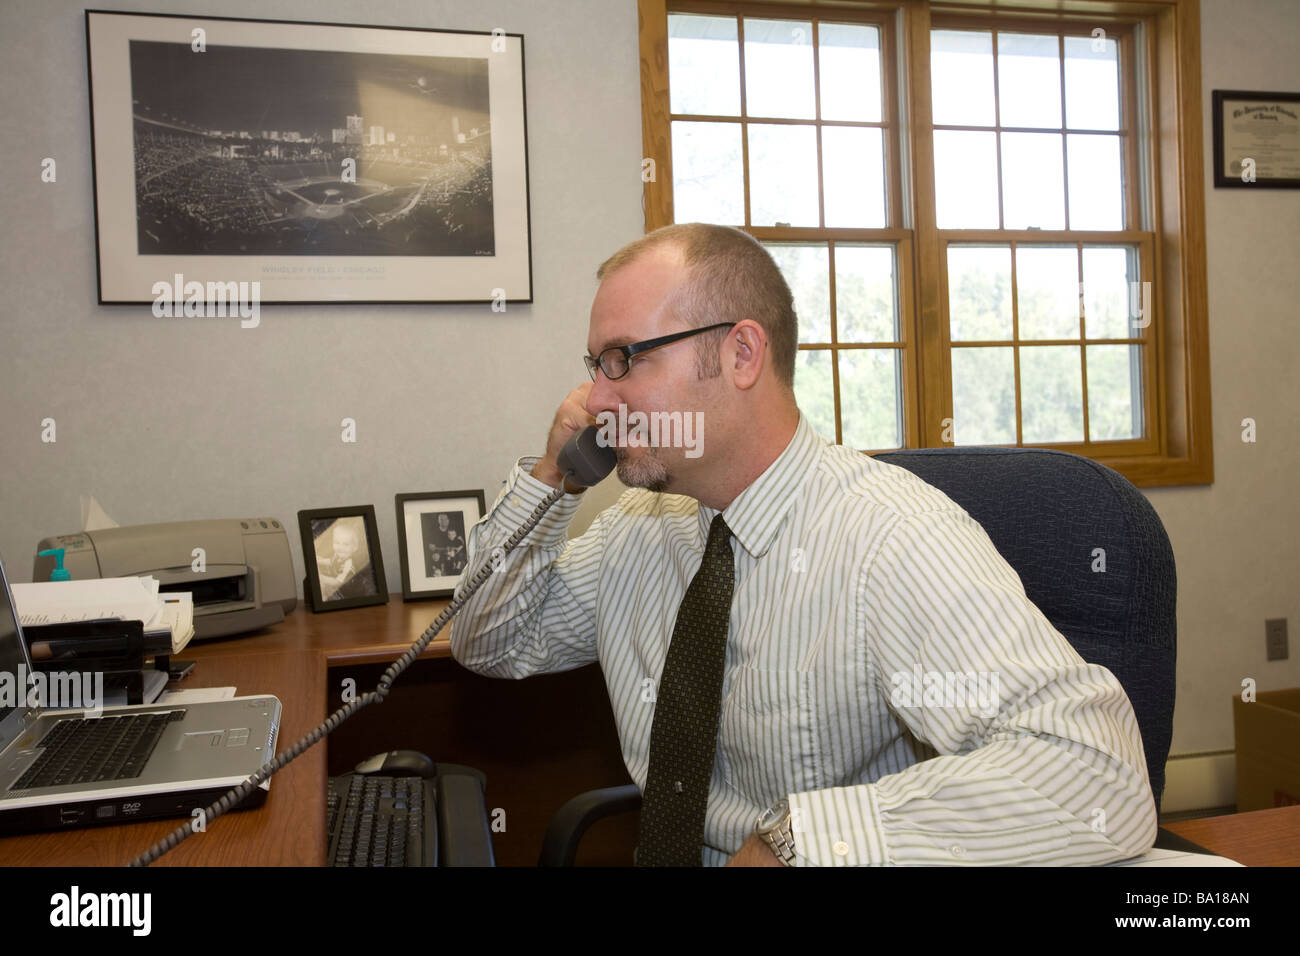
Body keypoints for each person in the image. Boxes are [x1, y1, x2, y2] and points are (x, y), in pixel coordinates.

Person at [449, 223, 1157, 867]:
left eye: (623, 359)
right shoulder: (636, 530)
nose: (596, 401)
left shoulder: (892, 537)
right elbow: (489, 642)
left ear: (742, 353)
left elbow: (1098, 774)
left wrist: (802, 842)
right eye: (596, 366)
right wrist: (552, 479)